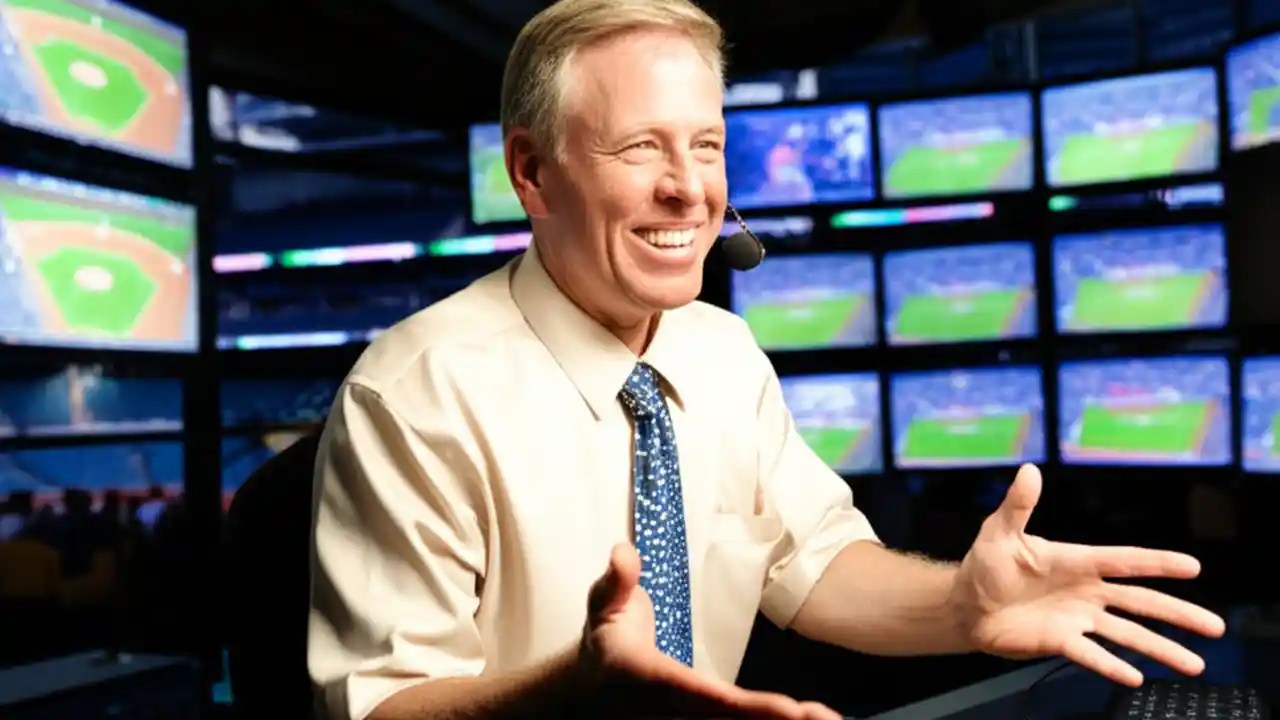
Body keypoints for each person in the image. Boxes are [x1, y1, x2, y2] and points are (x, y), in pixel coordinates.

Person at [306, 1, 1227, 719]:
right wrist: (574, 694)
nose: (689, 188)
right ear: (533, 172)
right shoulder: (416, 392)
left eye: (705, 145)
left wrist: (961, 607)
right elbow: (381, 703)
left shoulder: (722, 352)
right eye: (640, 148)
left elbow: (813, 565)